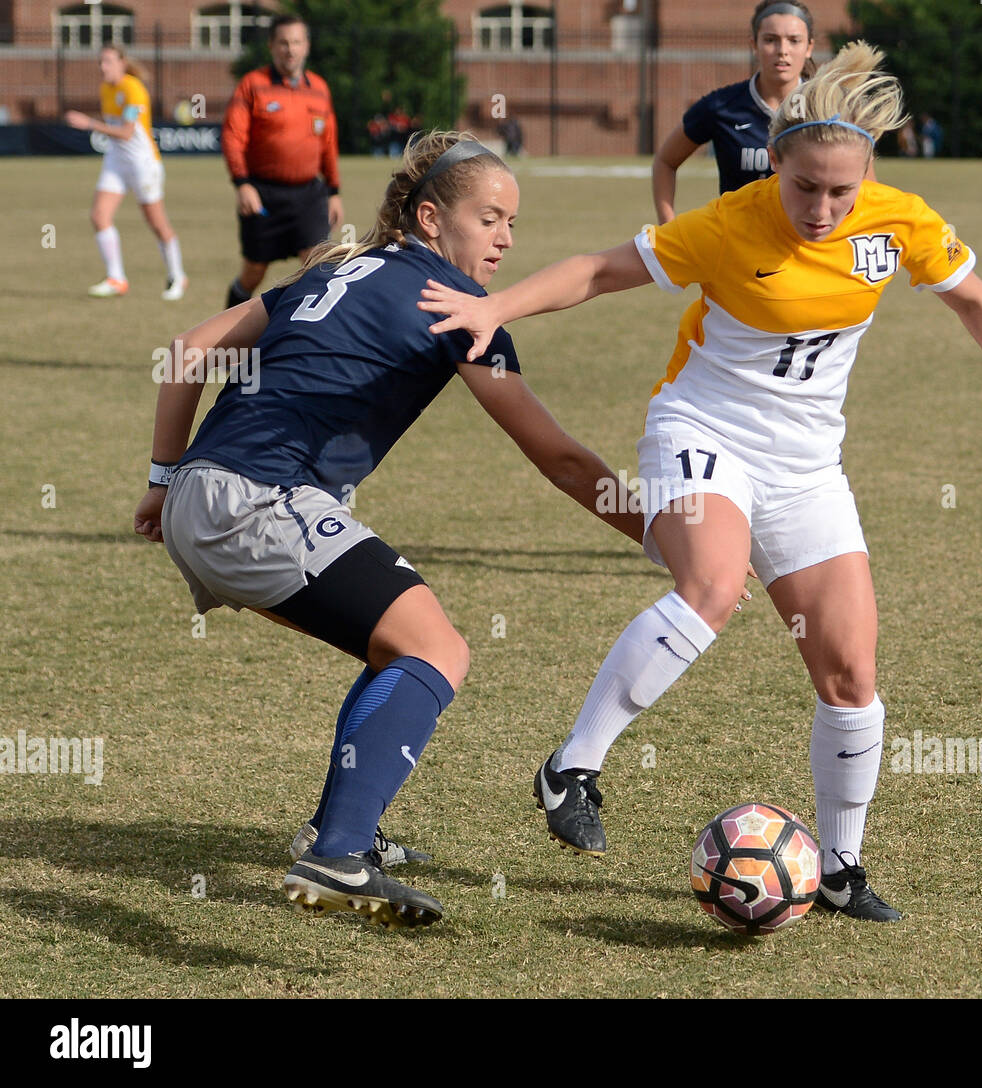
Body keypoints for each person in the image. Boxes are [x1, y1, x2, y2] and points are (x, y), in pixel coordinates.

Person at [419, 42, 982, 924]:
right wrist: (492, 307)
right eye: (805, 186)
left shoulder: (900, 221)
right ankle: (571, 765)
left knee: (851, 672)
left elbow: (975, 300)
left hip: (808, 465)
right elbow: (602, 270)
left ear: (867, 175)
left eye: (841, 190)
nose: (822, 206)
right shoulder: (732, 221)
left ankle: (840, 868)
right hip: (704, 432)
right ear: (779, 164)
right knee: (713, 588)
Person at [133, 131, 644, 928]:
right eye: (490, 217)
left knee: (392, 647)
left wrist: (165, 482)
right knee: (438, 650)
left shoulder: (336, 267)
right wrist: (663, 534)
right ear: (432, 218)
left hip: (204, 498)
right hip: (261, 502)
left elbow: (187, 349)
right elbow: (563, 461)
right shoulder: (455, 307)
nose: (507, 238)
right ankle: (336, 853)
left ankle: (343, 837)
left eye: (513, 221)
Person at [653, 2, 858, 223]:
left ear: (809, 47)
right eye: (770, 40)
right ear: (754, 44)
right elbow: (665, 161)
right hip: (739, 244)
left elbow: (864, 182)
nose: (782, 50)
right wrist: (668, 224)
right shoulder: (721, 106)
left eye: (794, 40)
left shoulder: (830, 107)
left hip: (805, 245)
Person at [221, 14, 343, 310]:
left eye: (296, 42)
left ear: (307, 47)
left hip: (308, 195)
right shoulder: (253, 84)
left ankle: (307, 345)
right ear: (272, 46)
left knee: (317, 268)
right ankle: (223, 345)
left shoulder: (320, 88)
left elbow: (328, 143)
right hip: (263, 193)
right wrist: (242, 184)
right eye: (283, 43)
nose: (290, 49)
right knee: (253, 272)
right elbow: (232, 137)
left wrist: (334, 191)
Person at [64, 45, 186, 300]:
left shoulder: (134, 89)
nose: (102, 67)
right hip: (116, 160)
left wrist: (89, 124)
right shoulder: (105, 88)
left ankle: (177, 276)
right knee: (99, 216)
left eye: (108, 61)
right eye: (100, 62)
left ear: (122, 63)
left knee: (156, 223)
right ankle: (116, 278)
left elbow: (127, 132)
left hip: (142, 163)